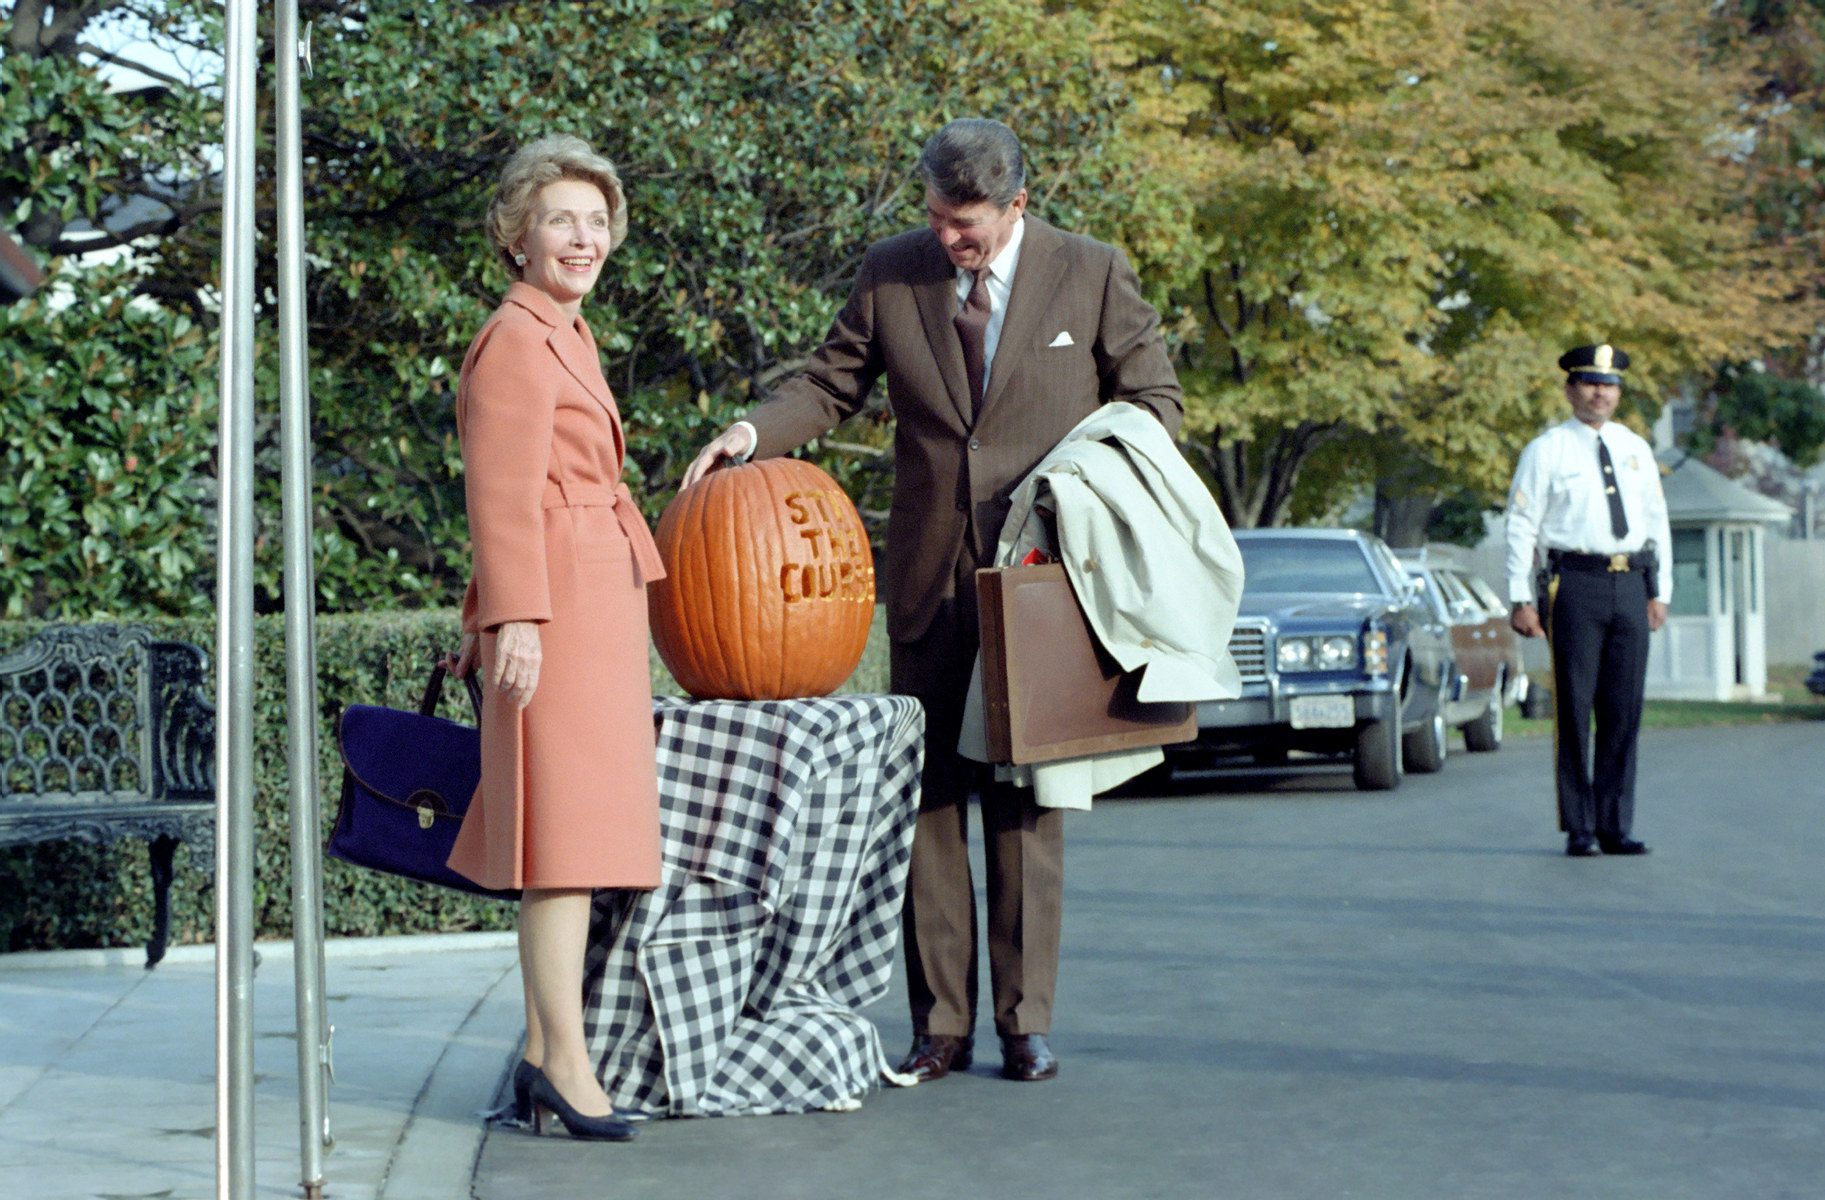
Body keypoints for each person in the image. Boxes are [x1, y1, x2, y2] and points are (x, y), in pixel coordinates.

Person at [682, 118, 1183, 1083]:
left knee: (1025, 806)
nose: (950, 239)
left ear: (1017, 206)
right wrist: (753, 434)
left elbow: (1151, 401)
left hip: (1041, 580)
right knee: (928, 806)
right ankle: (940, 1025)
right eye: (938, 219)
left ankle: (1025, 1020)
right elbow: (830, 384)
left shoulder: (1091, 271)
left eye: (969, 225)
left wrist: (1084, 494)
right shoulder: (890, 271)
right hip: (924, 579)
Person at [445, 135, 666, 1141]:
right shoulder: (517, 340)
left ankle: (543, 1054)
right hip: (558, 608)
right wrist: (518, 619)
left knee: (570, 840)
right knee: (561, 847)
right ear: (517, 236)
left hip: (595, 597)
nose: (584, 237)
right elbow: (499, 494)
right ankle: (567, 1066)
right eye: (560, 220)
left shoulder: (564, 332)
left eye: (595, 220)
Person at [1505, 344, 1672, 858]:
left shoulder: (1636, 448)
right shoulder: (1547, 449)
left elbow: (1655, 520)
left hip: (1630, 583)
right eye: (1589, 382)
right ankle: (1579, 826)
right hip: (1574, 585)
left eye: (1610, 384)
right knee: (1576, 709)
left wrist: (1660, 592)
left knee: (1624, 710)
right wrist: (1519, 597)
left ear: (1619, 392)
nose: (1600, 392)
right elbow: (1520, 526)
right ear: (1570, 388)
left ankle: (1614, 824)